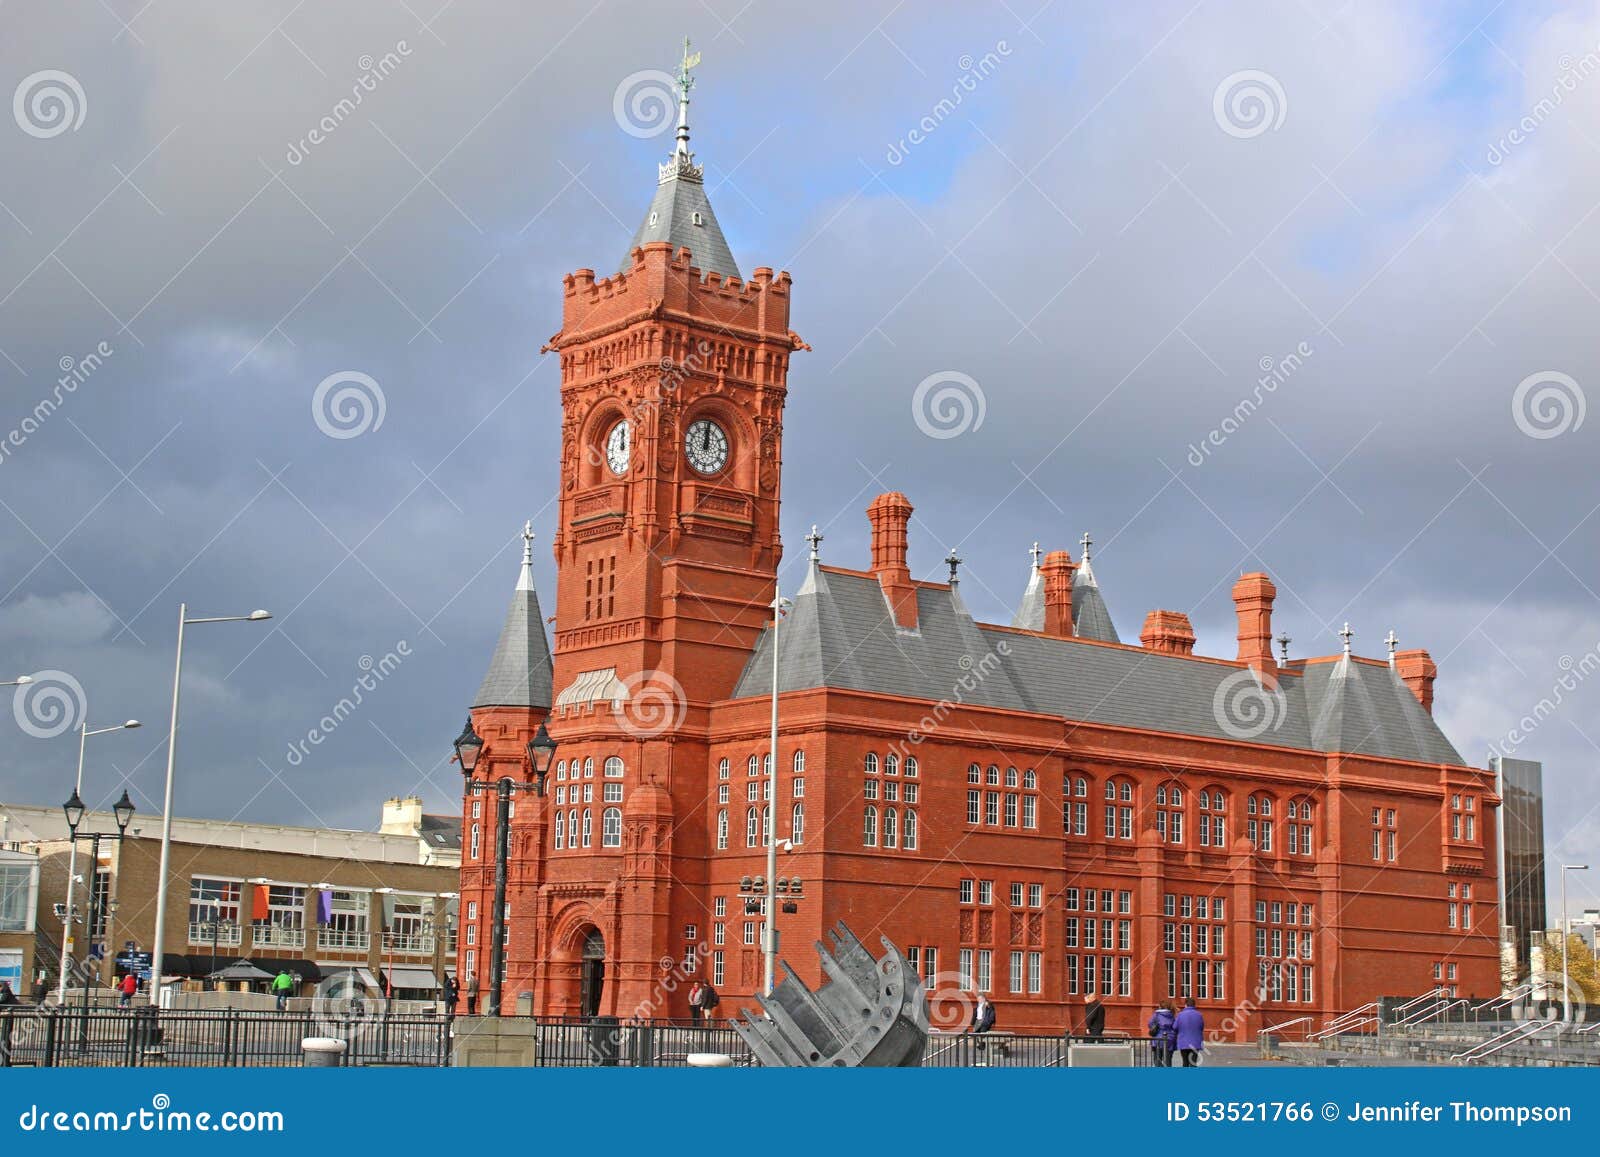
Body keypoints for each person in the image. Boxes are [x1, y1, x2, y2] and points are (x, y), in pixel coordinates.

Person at [1174, 997, 1205, 1067]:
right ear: (1194, 1005)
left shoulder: (1180, 1015)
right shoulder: (1199, 1015)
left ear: (1185, 1005)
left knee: (1185, 1062)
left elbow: (1175, 1027)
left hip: (1183, 1042)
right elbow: (1201, 1027)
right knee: (1193, 1063)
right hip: (1196, 1042)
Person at [1147, 1001, 1177, 1067]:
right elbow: (1175, 1027)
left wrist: (1156, 1027)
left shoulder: (1157, 1014)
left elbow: (1150, 1024)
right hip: (1170, 1039)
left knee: (1157, 1059)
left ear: (1160, 1006)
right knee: (1168, 1060)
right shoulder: (1172, 1015)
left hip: (1158, 1039)